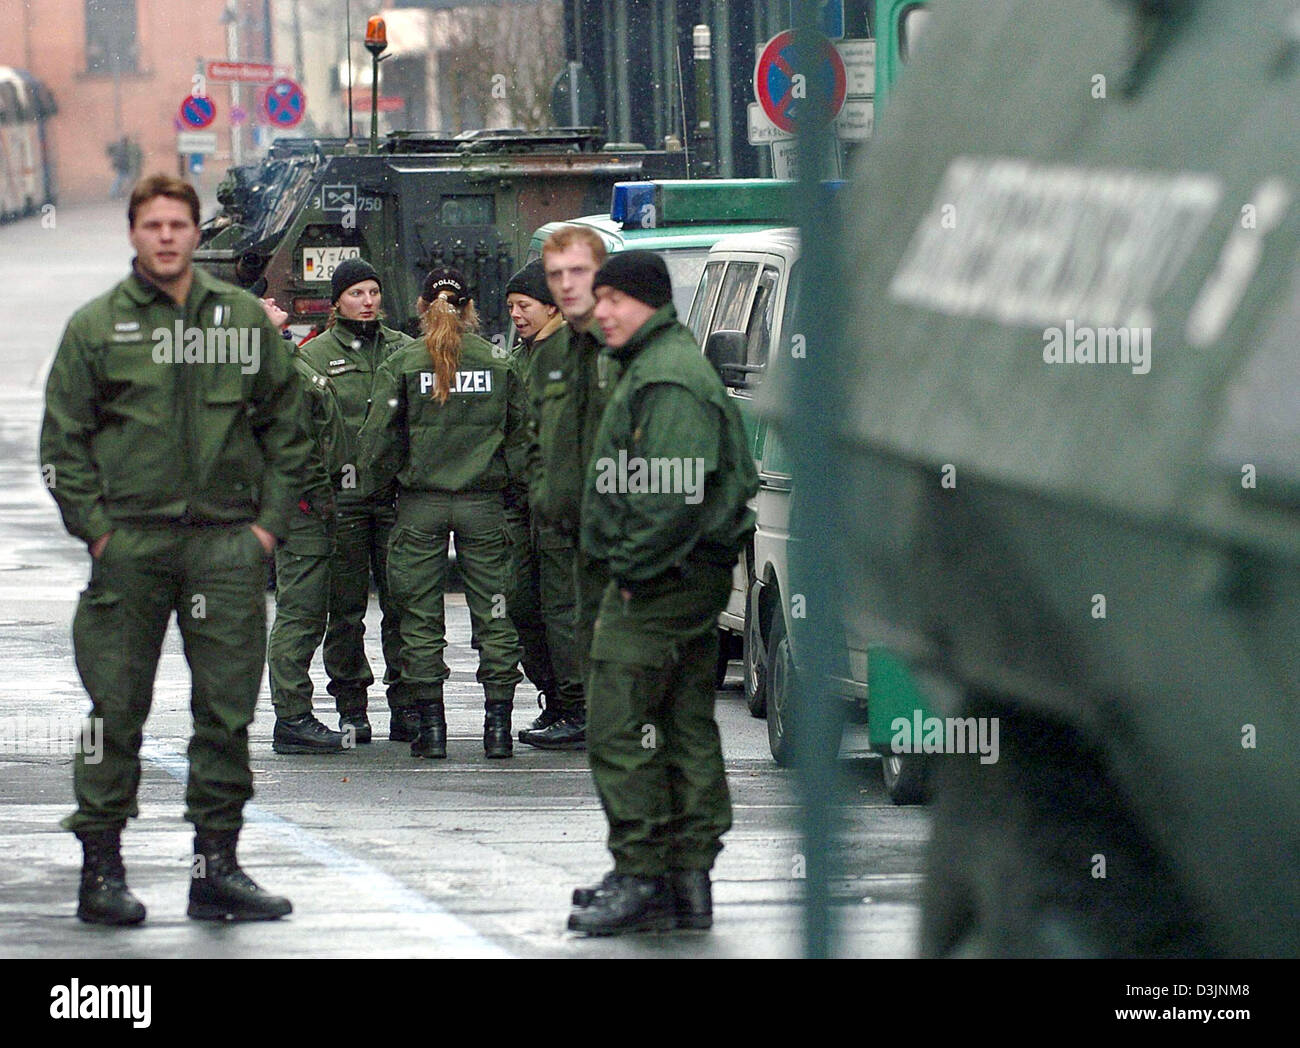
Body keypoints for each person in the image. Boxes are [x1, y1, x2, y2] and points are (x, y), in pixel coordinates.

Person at [40, 173, 313, 924]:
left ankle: (215, 868)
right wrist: (96, 529)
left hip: (226, 547)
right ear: (134, 234)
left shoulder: (241, 324)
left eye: (177, 225)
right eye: (151, 224)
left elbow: (288, 425)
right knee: (114, 712)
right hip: (129, 546)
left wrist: (266, 528)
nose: (165, 236)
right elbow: (63, 442)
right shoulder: (97, 329)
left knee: (224, 714)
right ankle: (101, 871)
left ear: (196, 234)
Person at [567, 251, 758, 936]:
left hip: (658, 583)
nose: (603, 311)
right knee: (680, 725)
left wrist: (626, 570)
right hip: (678, 579)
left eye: (615, 298)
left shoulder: (669, 375)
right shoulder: (652, 366)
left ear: (648, 302)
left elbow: (672, 496)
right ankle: (683, 880)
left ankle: (643, 873)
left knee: (620, 724)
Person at [357, 268, 528, 759]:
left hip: (420, 506)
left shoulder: (404, 361)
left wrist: (380, 488)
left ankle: (431, 730)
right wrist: (514, 487)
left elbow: (377, 439)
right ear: (470, 308)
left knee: (420, 616)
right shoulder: (499, 361)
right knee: (495, 613)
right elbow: (521, 435)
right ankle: (498, 731)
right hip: (484, 504)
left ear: (420, 306)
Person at [299, 259, 416, 743]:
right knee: (344, 610)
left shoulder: (406, 350)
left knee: (404, 604)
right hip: (343, 502)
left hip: (395, 498)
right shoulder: (315, 355)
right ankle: (351, 705)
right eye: (356, 294)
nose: (367, 301)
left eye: (373, 292)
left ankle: (407, 703)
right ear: (337, 302)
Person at [526, 226, 621, 750]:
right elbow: (544, 440)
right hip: (577, 546)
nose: (565, 284)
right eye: (555, 275)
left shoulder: (626, 345)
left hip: (631, 555)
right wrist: (550, 497)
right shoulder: (561, 353)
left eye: (578, 272)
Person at [264, 297, 354, 754]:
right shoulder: (282, 371)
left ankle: (295, 714)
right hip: (303, 509)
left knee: (306, 612)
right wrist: (320, 500)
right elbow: (301, 448)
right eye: (263, 301)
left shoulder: (287, 357)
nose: (273, 300)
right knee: (300, 615)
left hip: (306, 504)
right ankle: (293, 718)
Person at [503, 260, 585, 746]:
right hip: (527, 505)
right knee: (524, 606)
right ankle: (556, 699)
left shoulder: (567, 356)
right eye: (511, 306)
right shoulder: (524, 354)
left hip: (559, 507)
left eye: (524, 306)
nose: (515, 314)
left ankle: (578, 707)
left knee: (562, 609)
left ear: (552, 308)